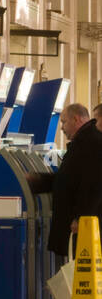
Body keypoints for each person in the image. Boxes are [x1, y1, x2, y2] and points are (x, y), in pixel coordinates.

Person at [29, 103, 102, 259]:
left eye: (63, 122)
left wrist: (81, 218)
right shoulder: (84, 142)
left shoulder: (90, 143)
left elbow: (93, 184)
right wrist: (35, 181)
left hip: (85, 226)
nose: (62, 128)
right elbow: (69, 179)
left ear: (75, 119)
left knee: (84, 270)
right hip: (81, 223)